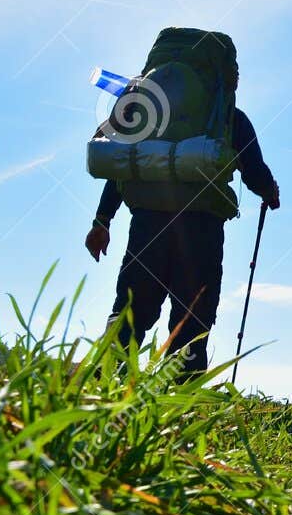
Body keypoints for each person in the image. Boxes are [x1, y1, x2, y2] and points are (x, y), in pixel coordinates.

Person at [84, 31, 280, 376]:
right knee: (191, 319)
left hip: (147, 224)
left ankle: (105, 391)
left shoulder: (146, 118)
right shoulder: (229, 120)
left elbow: (123, 166)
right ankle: (179, 404)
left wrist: (102, 222)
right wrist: (270, 192)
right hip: (201, 228)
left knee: (130, 310)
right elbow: (255, 172)